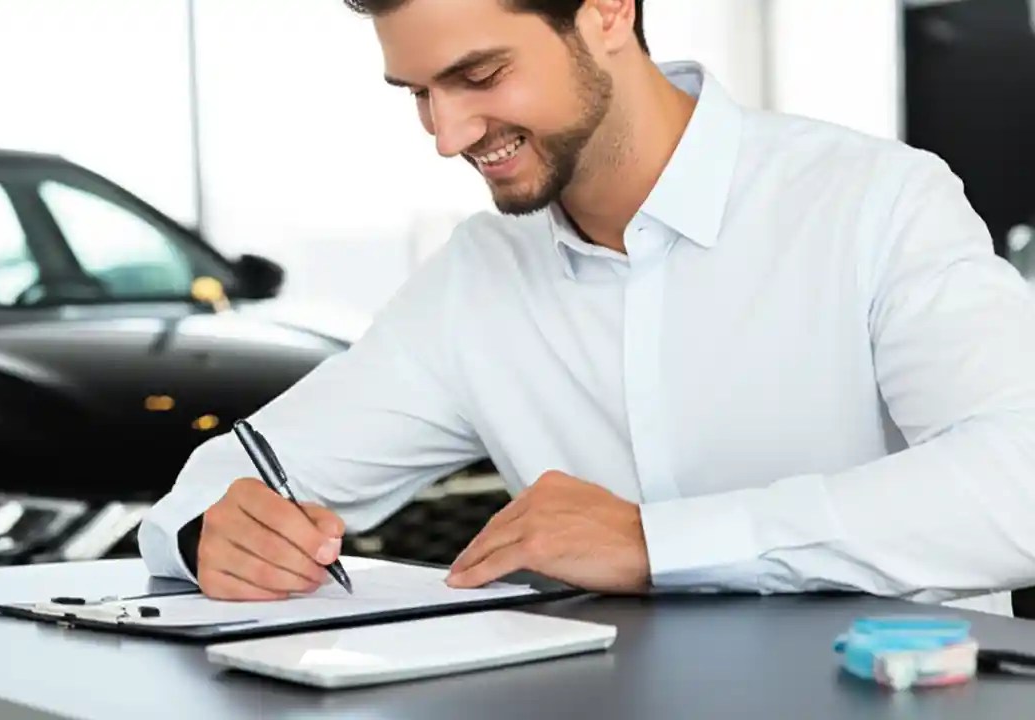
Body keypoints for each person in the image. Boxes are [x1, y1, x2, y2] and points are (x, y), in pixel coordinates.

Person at [139, 0, 1035, 615]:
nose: (447, 136)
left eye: (480, 75)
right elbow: (227, 482)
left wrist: (656, 543)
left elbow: (1019, 485)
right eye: (418, 94)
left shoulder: (874, 202)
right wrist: (217, 532)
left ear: (608, 12)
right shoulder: (478, 278)